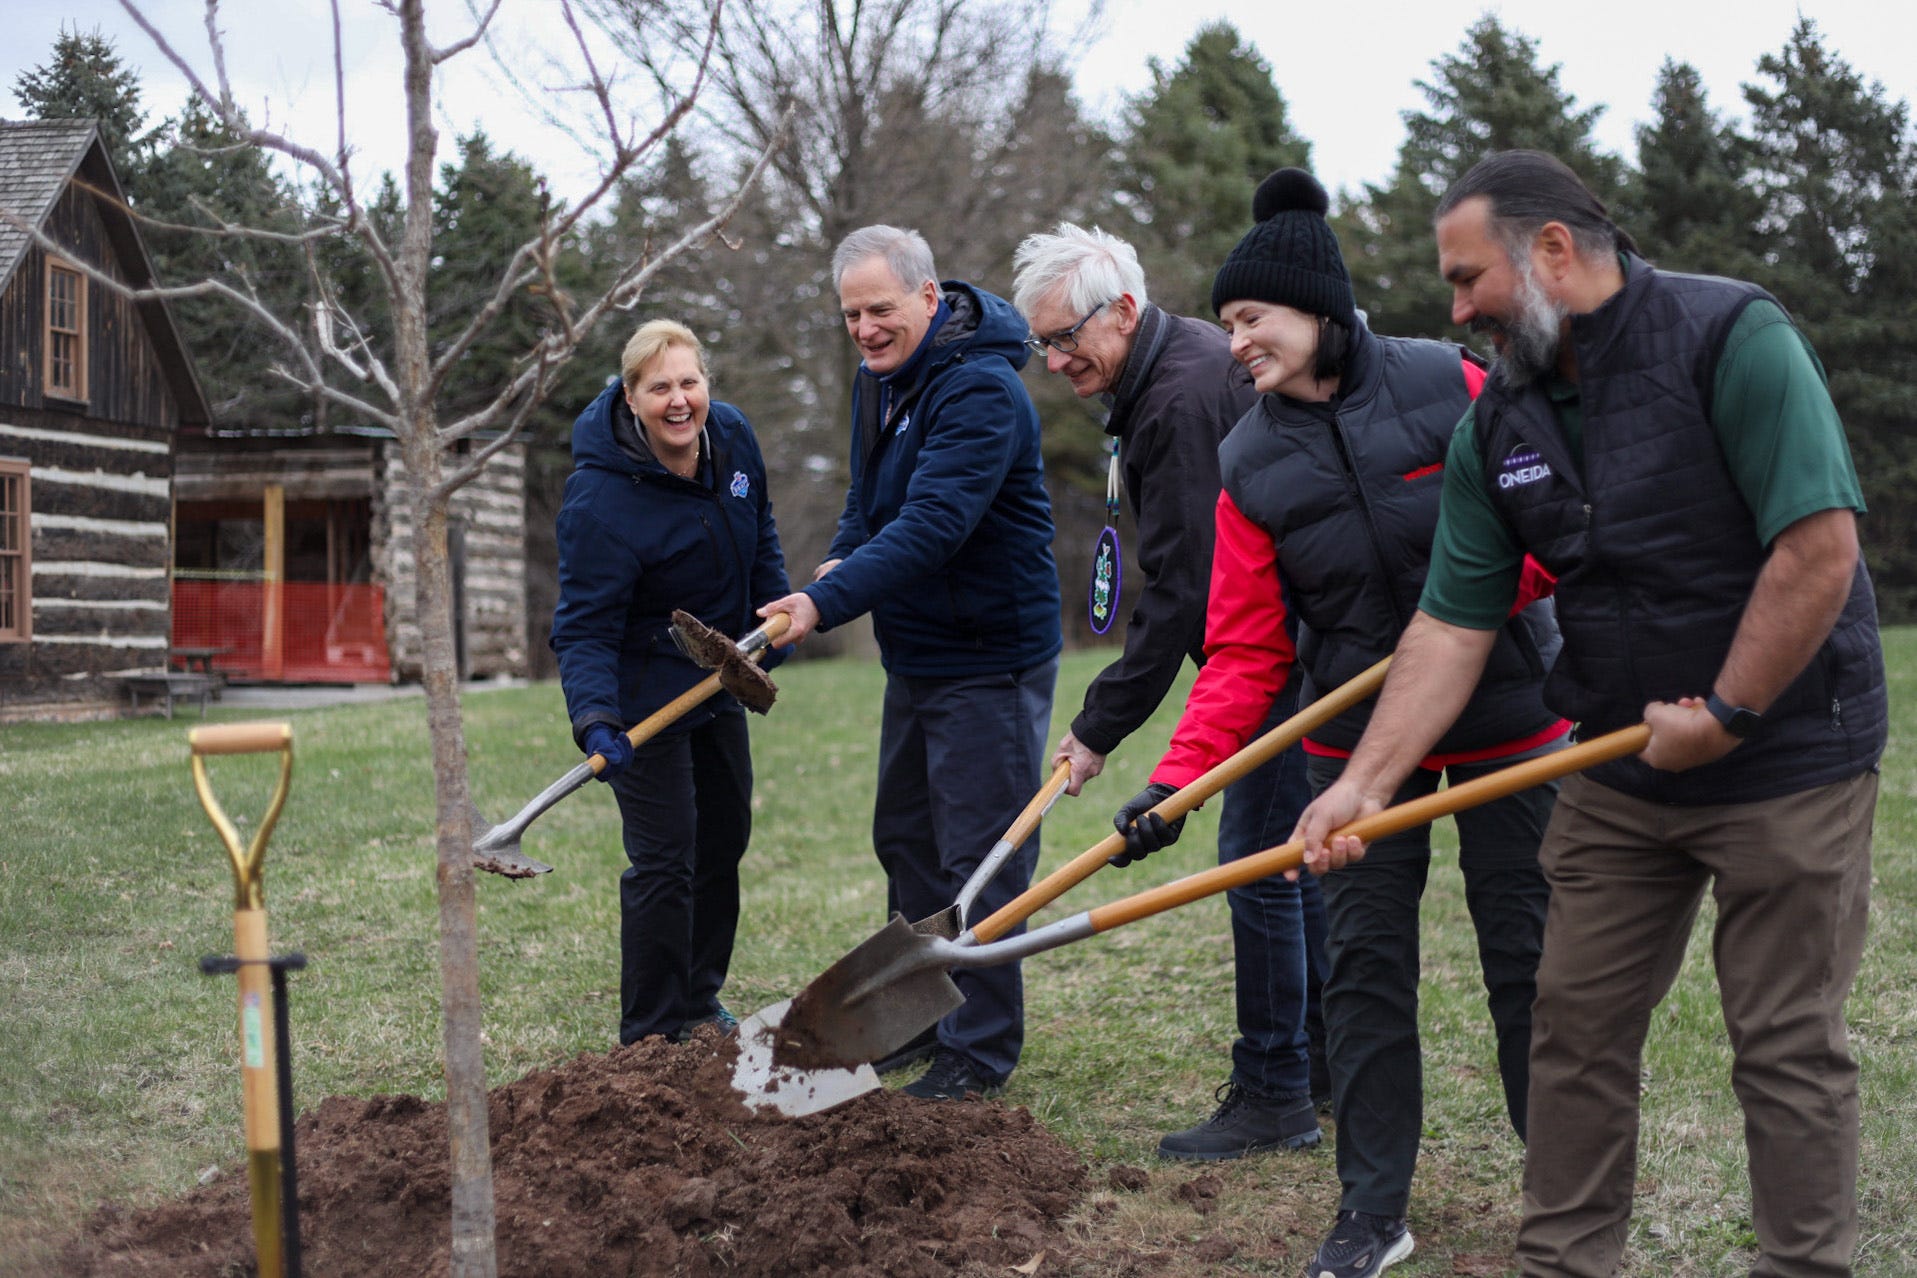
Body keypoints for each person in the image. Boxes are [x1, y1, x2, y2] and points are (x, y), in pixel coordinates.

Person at [1295, 150, 1887, 1278]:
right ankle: (1566, 1265)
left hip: (1789, 753)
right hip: (1619, 770)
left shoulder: (1733, 339)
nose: (1455, 308)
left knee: (1783, 1043)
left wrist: (1726, 711)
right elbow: (1450, 628)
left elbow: (1817, 552)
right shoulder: (1498, 425)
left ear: (1553, 252)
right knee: (1573, 1033)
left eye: (1470, 280)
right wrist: (1365, 785)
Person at [1116, 169, 1571, 1278]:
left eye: (1251, 321)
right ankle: (1372, 1209)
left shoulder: (1454, 381)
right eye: (1226, 326)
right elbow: (1248, 651)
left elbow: (1550, 533)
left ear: (1317, 309)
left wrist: (1463, 623)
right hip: (1354, 759)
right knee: (1364, 973)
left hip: (1510, 721)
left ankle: (1565, 1190)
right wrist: (1177, 782)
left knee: (1530, 962)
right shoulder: (1247, 463)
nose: (1236, 345)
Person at [1009, 222, 1328, 1160]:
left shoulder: (1181, 399)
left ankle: (1276, 1090)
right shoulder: (1164, 374)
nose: (1056, 360)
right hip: (1294, 647)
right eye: (1043, 344)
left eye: (1066, 338)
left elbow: (1185, 595)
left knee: (1261, 864)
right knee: (1288, 861)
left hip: (1280, 656)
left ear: (1122, 310)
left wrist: (1100, 724)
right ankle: (1321, 1067)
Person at [757, 225, 1062, 1102]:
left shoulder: (981, 393)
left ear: (930, 298)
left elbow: (933, 525)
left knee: (979, 857)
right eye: (851, 313)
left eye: (880, 309)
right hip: (920, 655)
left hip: (990, 659)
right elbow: (869, 498)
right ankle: (917, 1019)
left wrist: (826, 601)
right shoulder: (878, 382)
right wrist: (840, 557)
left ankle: (980, 1047)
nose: (864, 327)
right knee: (907, 840)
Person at [550, 319, 790, 1047]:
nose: (679, 400)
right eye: (660, 388)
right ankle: (650, 1034)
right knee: (665, 858)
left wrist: (769, 614)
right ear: (630, 397)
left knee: (723, 837)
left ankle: (695, 1000)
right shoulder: (598, 501)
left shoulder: (734, 438)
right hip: (639, 689)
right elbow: (584, 627)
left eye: (690, 382)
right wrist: (595, 717)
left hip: (716, 673)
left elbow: (760, 527)